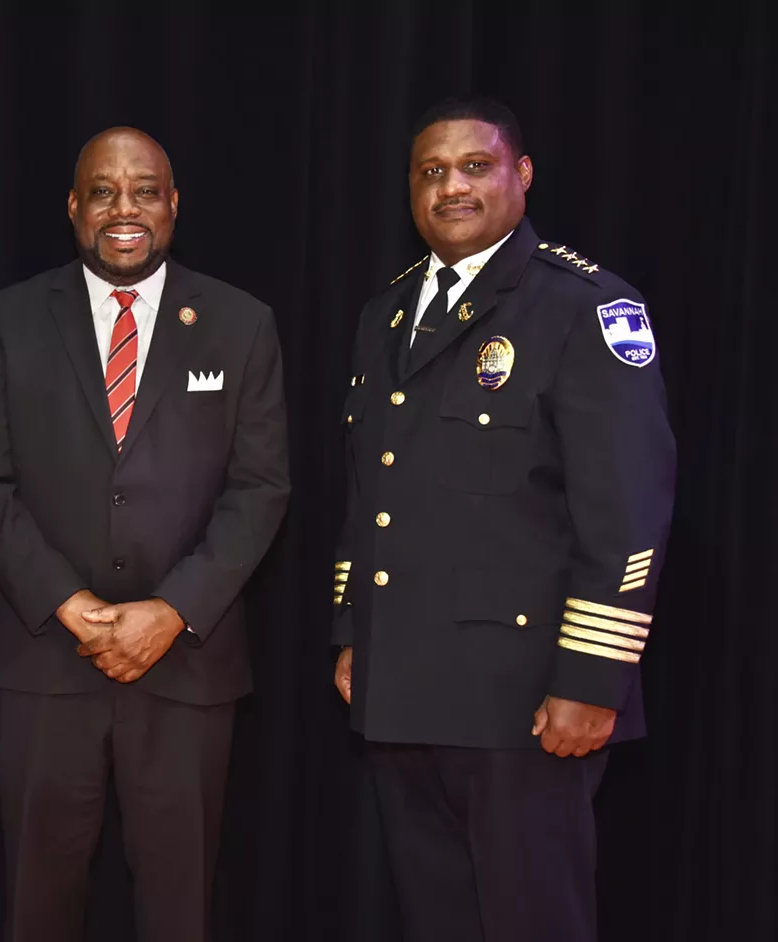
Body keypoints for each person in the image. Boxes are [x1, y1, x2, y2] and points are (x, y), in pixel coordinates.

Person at [330, 96, 676, 942]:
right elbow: (369, 493)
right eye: (431, 172)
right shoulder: (387, 315)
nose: (451, 186)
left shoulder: (584, 308)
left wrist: (592, 679)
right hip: (403, 688)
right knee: (437, 919)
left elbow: (629, 508)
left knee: (533, 921)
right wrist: (352, 633)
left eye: (474, 166)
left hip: (523, 702)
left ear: (521, 176)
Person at [0, 127, 289, 942]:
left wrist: (171, 611)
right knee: (38, 906)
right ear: (74, 208)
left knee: (180, 911)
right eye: (103, 191)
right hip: (43, 663)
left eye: (144, 190)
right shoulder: (7, 320)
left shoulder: (242, 324)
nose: (124, 208)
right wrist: (70, 604)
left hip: (188, 668)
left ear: (174, 205)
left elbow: (261, 489)